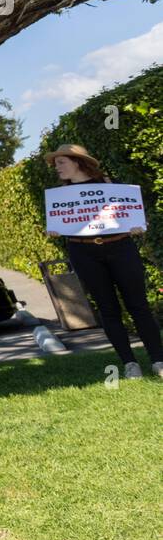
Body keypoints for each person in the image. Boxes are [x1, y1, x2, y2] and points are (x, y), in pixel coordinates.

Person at [45, 144, 163, 378]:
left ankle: (158, 360)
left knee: (138, 305)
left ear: (77, 162)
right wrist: (56, 230)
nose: (56, 168)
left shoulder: (110, 185)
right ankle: (129, 364)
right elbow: (64, 222)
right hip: (83, 252)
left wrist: (137, 226)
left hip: (121, 247)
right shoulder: (60, 196)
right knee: (108, 309)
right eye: (55, 163)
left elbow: (130, 212)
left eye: (61, 162)